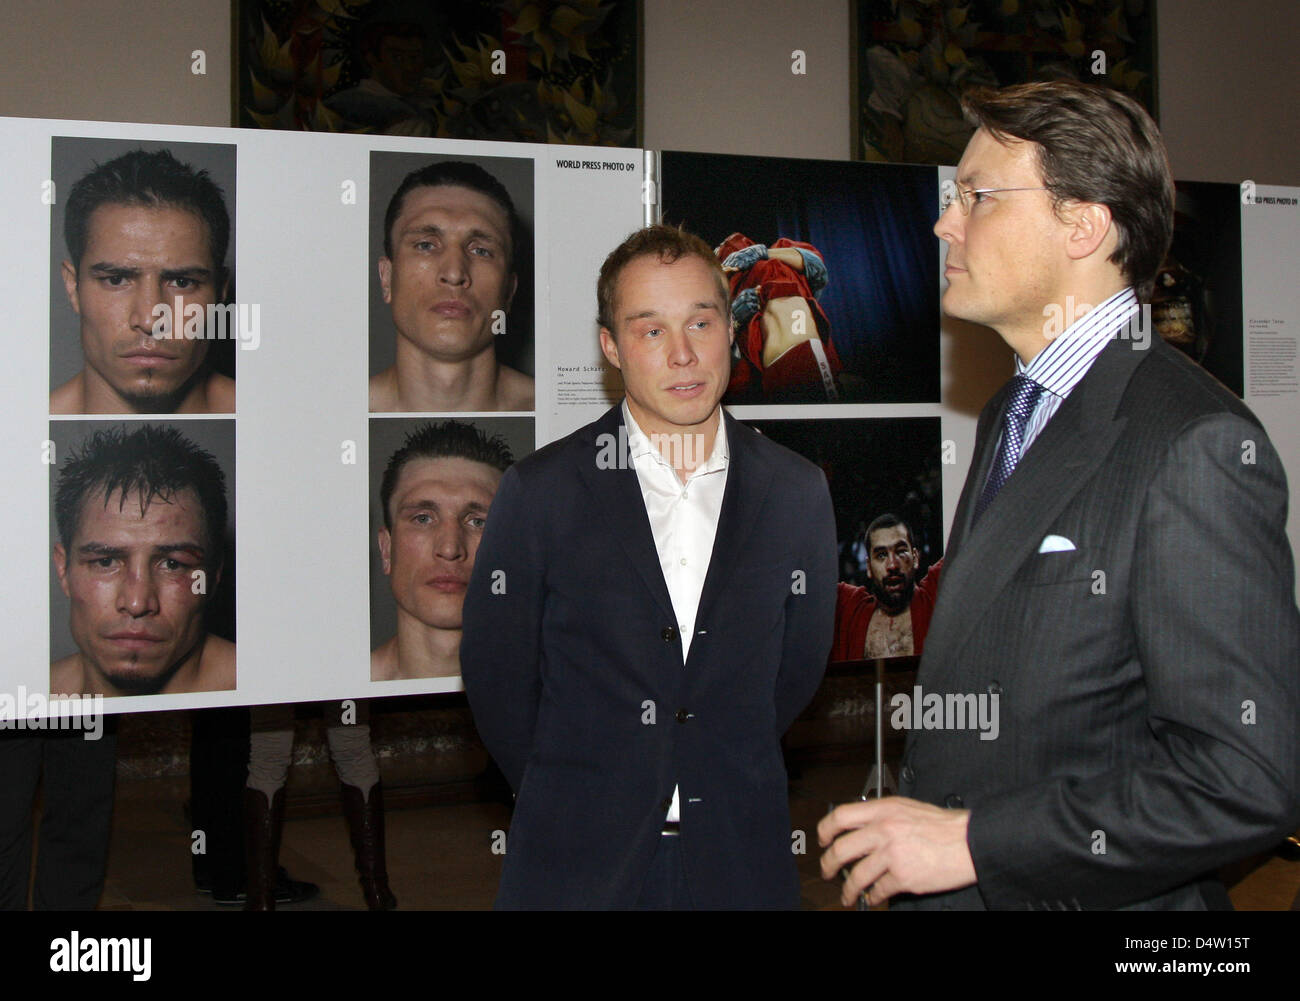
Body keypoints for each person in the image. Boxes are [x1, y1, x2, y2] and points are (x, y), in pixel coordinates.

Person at [819, 80, 1300, 910]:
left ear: (1084, 223)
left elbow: (1244, 774)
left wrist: (974, 841)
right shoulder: (1018, 405)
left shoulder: (1196, 444)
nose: (944, 222)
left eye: (976, 196)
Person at [461, 224, 837, 909]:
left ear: (730, 327)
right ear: (610, 345)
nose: (684, 353)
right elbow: (498, 680)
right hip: (576, 862)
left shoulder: (796, 491)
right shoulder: (541, 491)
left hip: (740, 860)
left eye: (701, 320)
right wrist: (575, 786)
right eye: (651, 330)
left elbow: (795, 674)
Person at [51, 425, 234, 698]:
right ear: (63, 569)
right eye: (106, 561)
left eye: (173, 564)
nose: (137, 603)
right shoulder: (25, 696)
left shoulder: (270, 692)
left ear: (214, 575)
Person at [52, 149, 235, 415]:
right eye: (116, 280)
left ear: (221, 291)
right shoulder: (15, 429)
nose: (150, 320)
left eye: (182, 282)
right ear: (73, 287)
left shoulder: (271, 419)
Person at [369, 161, 533, 413]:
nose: (455, 273)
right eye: (426, 245)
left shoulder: (564, 420)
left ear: (509, 291)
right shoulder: (332, 414)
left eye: (481, 250)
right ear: (387, 277)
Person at [372, 420, 513, 680]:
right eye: (423, 519)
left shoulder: (565, 693)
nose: (450, 549)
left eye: (478, 522)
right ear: (386, 548)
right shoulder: (327, 689)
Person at [832, 513, 942, 660]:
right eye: (881, 555)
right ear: (869, 567)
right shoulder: (849, 608)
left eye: (901, 551)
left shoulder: (935, 595)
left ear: (915, 558)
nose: (892, 565)